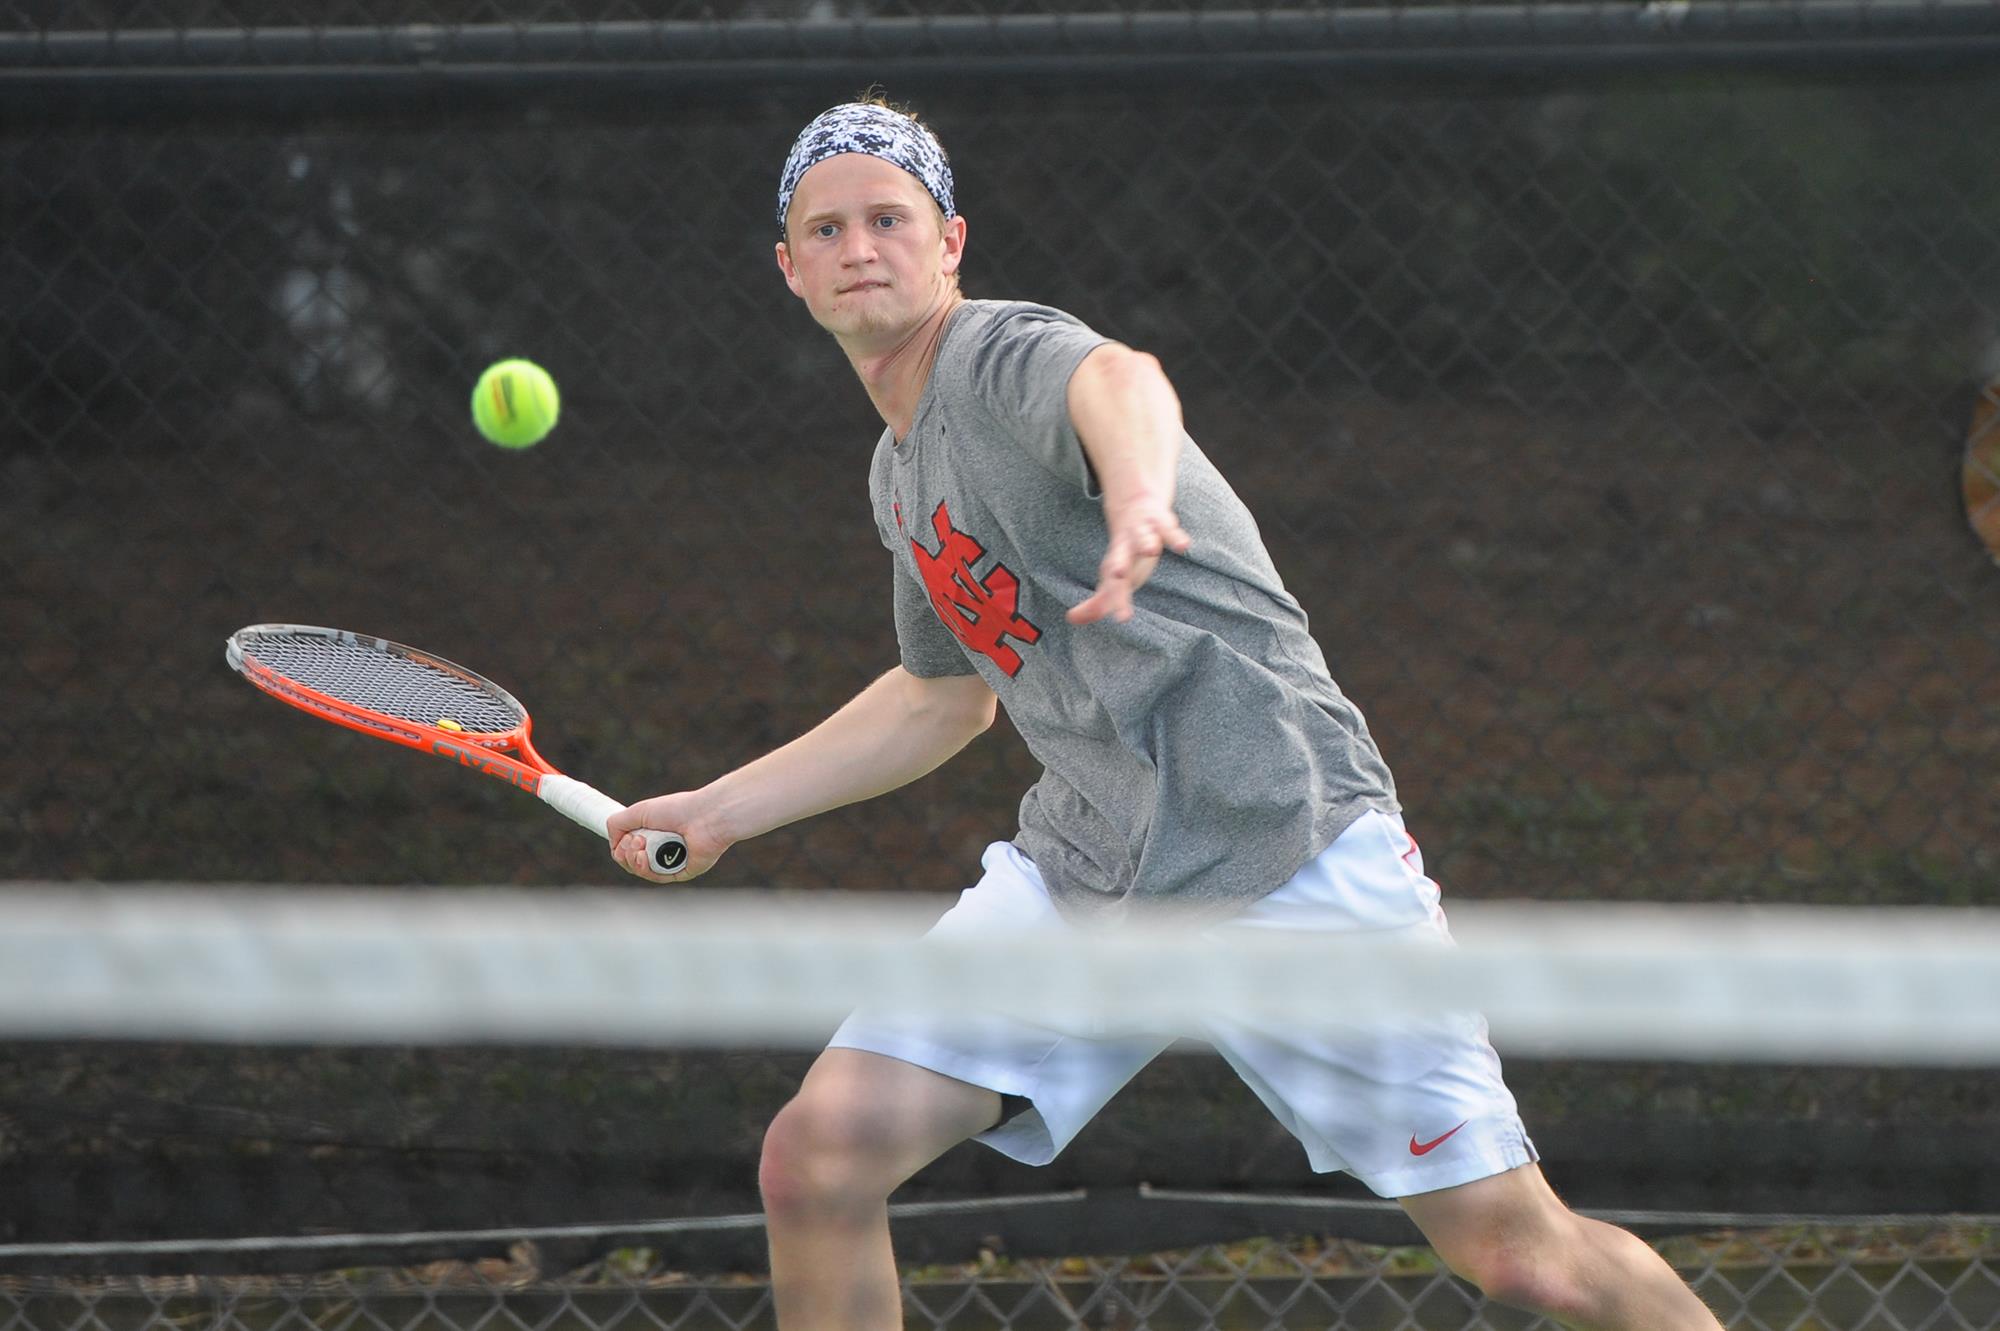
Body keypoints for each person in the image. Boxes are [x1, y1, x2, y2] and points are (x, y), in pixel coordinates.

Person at [607, 97, 1724, 1331]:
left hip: (1279, 843)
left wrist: (1140, 491)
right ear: (789, 267)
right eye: (826, 228)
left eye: (888, 218)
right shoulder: (899, 469)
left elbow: (1117, 375)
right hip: (1089, 869)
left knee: (1523, 1257)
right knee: (816, 1157)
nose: (858, 246)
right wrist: (718, 810)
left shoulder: (991, 357)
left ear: (950, 242)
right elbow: (938, 700)